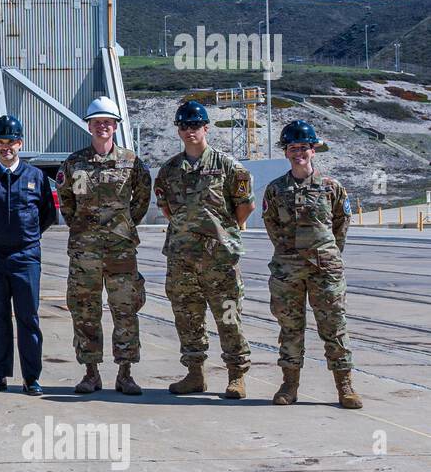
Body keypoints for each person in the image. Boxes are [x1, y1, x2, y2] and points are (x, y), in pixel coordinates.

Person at [153, 99, 254, 399]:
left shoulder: (228, 167)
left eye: (195, 125)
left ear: (206, 127)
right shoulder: (169, 171)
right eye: (183, 126)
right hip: (182, 259)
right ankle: (195, 374)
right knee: (188, 317)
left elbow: (244, 207)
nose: (189, 131)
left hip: (219, 259)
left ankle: (236, 376)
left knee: (228, 317)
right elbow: (167, 209)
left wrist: (218, 234)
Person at [262, 120, 362, 409]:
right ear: (286, 152)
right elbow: (271, 224)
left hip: (325, 270)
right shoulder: (276, 189)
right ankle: (289, 384)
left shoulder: (332, 188)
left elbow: (341, 225)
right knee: (290, 328)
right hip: (287, 272)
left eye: (303, 147)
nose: (298, 153)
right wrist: (288, 253)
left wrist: (328, 253)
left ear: (313, 150)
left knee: (334, 327)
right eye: (293, 148)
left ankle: (345, 386)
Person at [56, 97, 152, 396]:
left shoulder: (131, 162)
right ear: (89, 125)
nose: (102, 127)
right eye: (97, 122)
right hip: (85, 251)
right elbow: (65, 200)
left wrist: (125, 225)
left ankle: (125, 373)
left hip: (121, 251)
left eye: (107, 122)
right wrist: (82, 227)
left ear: (115, 126)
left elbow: (143, 197)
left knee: (125, 310)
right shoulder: (74, 162)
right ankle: (90, 372)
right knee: (85, 310)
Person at [0, 115, 57, 395]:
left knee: (28, 318)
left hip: (26, 256)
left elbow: (46, 215)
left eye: (12, 142)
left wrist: (25, 238)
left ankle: (31, 377)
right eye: (1, 142)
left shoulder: (36, 177)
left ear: (21, 143)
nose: (6, 147)